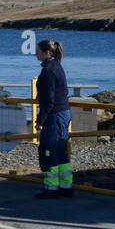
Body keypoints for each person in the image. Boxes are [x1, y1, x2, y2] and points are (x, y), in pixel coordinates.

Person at [34, 39, 73, 199]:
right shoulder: (57, 66)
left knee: (49, 151)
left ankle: (51, 188)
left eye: (38, 51)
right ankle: (66, 186)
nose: (36, 54)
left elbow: (49, 100)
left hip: (54, 115)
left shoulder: (49, 70)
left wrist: (40, 122)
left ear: (47, 53)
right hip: (63, 112)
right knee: (61, 150)